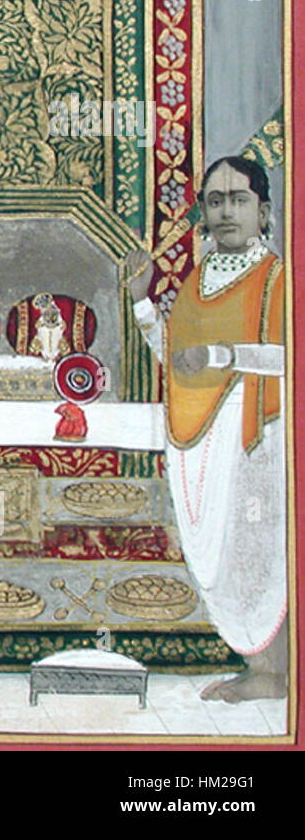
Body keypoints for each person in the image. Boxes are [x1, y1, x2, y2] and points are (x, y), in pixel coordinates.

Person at [122, 155, 286, 701]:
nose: (225, 211)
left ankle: (273, 674)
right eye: (215, 201)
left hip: (254, 434)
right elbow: (173, 357)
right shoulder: (198, 280)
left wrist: (222, 353)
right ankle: (259, 669)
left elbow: (290, 357)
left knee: (258, 551)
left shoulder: (276, 277)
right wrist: (145, 299)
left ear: (263, 211)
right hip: (198, 441)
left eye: (238, 199)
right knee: (219, 557)